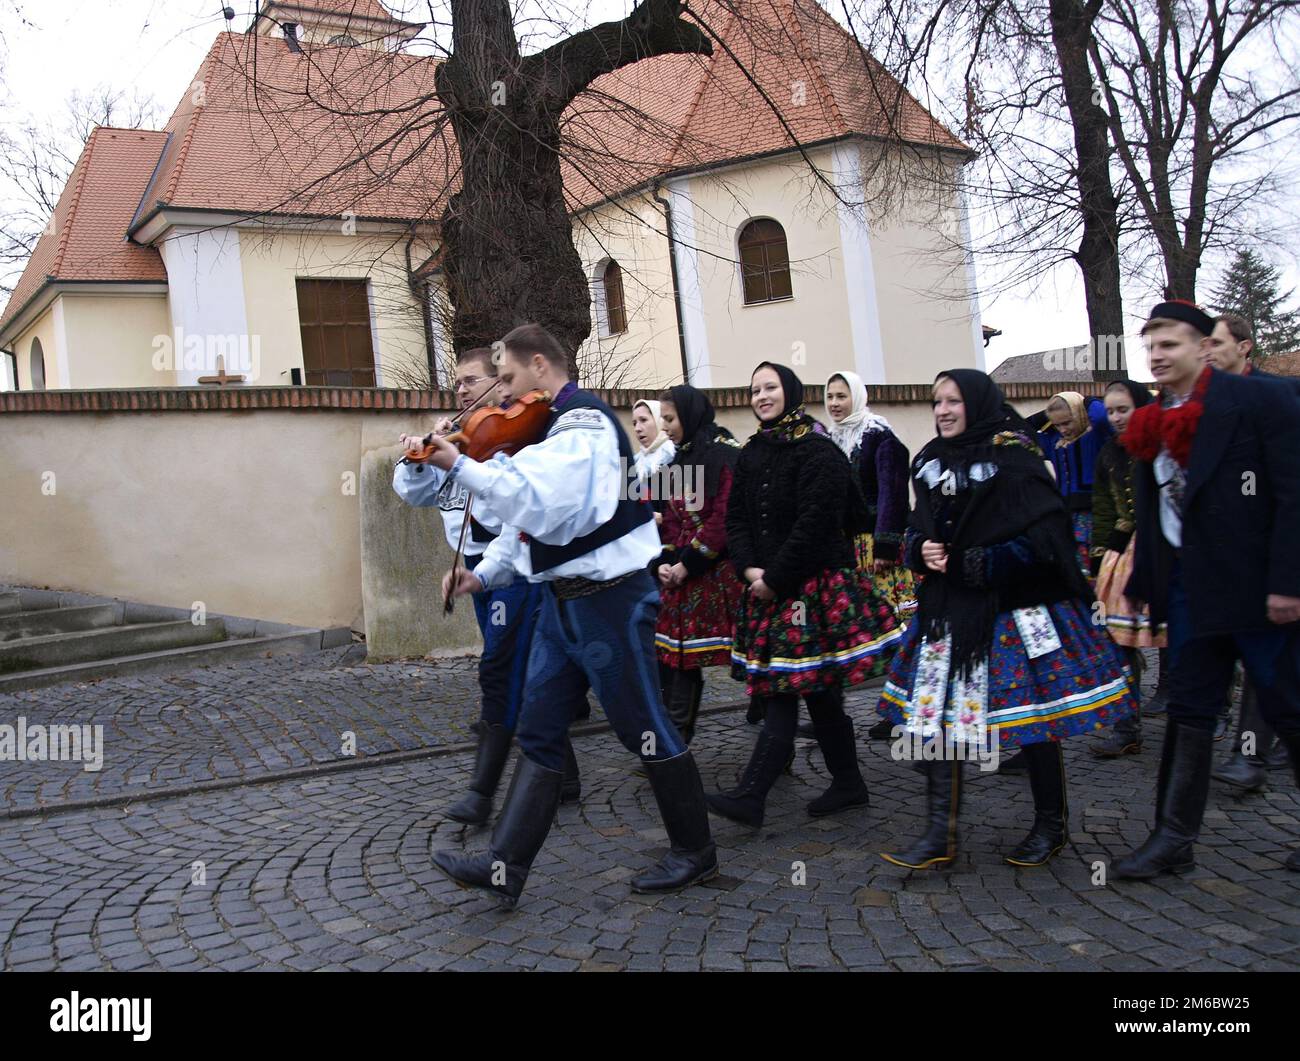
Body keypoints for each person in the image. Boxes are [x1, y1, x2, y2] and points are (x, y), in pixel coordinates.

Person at [422, 323, 718, 907]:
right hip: (564, 604)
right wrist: (483, 573)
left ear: (539, 365)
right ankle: (504, 867)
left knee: (643, 729)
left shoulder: (583, 424)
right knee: (538, 727)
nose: (500, 395)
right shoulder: (550, 429)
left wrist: (460, 464)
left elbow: (536, 497)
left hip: (613, 601)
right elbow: (531, 529)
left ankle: (695, 851)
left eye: (506, 378)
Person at [877, 370, 1137, 869]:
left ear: (977, 403)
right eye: (937, 402)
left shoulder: (1016, 454)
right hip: (949, 611)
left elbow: (1047, 538)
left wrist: (978, 562)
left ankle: (1050, 824)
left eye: (953, 401)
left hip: (1017, 607)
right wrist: (919, 549)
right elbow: (917, 524)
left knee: (1034, 719)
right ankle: (939, 835)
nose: (943, 410)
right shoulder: (930, 460)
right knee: (936, 717)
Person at [1115, 300, 1300, 878]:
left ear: (1204, 346)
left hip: (1259, 591)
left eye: (1168, 343)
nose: (1157, 355)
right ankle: (1172, 838)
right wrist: (1148, 583)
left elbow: (1294, 494)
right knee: (1189, 711)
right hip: (1193, 592)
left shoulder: (1261, 400)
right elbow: (1158, 512)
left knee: (1288, 707)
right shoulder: (1149, 419)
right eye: (1149, 346)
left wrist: (1288, 582)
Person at [708, 362, 902, 828]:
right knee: (812, 693)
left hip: (809, 591)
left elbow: (816, 526)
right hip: (767, 588)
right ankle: (849, 783)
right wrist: (749, 567)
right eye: (754, 389)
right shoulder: (752, 452)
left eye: (769, 387)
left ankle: (752, 795)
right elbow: (736, 520)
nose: (761, 396)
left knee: (785, 688)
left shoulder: (818, 451)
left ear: (790, 392)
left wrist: (774, 577)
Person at [394, 347, 581, 824]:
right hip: (475, 572)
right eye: (457, 383)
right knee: (518, 670)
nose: (460, 389)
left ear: (500, 387)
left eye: (471, 381)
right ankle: (561, 771)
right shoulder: (456, 439)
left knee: (502, 667)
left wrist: (466, 455)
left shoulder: (518, 438)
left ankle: (484, 792)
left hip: (513, 570)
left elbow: (517, 510)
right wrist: (421, 454)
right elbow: (413, 493)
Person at [1204, 312, 1298, 786]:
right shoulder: (1205, 403)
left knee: (1273, 668)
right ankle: (1255, 751)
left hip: (1277, 560)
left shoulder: (1275, 396)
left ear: (1244, 346)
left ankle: (1256, 753)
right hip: (1229, 566)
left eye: (1217, 342)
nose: (1208, 351)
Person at [821, 369, 916, 743]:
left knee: (897, 632)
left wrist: (886, 545)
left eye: (841, 396)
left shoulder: (880, 438)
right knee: (856, 631)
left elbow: (893, 494)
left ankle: (905, 711)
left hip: (878, 550)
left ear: (857, 397)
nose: (834, 404)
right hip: (848, 550)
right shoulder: (833, 440)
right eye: (829, 396)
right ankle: (835, 714)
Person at [653, 385, 743, 744]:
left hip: (725, 577)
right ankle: (674, 743)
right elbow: (668, 523)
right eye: (663, 419)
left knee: (748, 658)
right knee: (679, 661)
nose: (665, 427)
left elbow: (724, 517)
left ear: (689, 416)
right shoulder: (673, 462)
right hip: (682, 581)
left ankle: (775, 737)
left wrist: (687, 562)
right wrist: (664, 561)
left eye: (670, 419)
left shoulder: (725, 456)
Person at [1090, 379, 1167, 758]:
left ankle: (1206, 710)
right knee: (1118, 642)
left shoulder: (1163, 444)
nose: (1117, 417)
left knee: (1180, 638)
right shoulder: (1108, 453)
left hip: (1166, 551)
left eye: (1124, 409)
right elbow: (1104, 507)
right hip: (1124, 556)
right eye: (1112, 411)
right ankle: (1127, 726)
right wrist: (1100, 555)